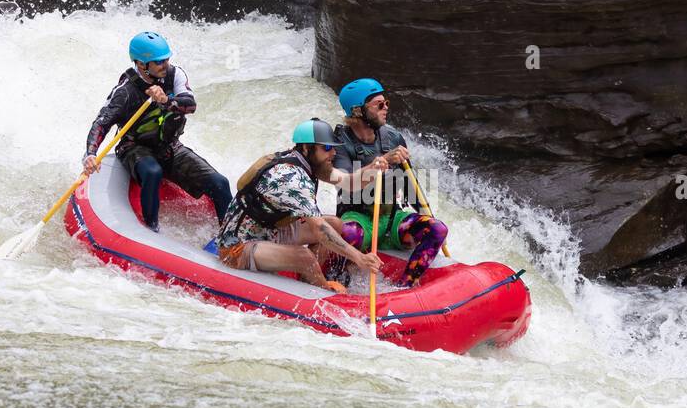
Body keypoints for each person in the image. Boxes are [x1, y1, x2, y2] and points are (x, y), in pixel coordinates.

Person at [83, 31, 232, 231]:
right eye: (159, 62)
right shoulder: (125, 91)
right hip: (135, 147)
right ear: (142, 65)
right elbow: (101, 123)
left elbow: (191, 106)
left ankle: (231, 237)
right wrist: (91, 153)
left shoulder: (175, 74)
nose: (166, 65)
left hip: (170, 146)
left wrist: (166, 100)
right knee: (153, 172)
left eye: (167, 59)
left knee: (220, 183)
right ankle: (152, 229)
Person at [217, 119, 384, 293]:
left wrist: (373, 169)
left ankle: (307, 280)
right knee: (306, 257)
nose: (333, 153)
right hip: (238, 247)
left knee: (335, 224)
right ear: (306, 148)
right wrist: (359, 258)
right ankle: (322, 289)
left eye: (333, 147)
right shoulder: (292, 179)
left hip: (269, 232)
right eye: (326, 148)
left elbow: (349, 182)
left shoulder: (310, 163)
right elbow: (320, 230)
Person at [332, 78, 448, 286]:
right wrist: (382, 162)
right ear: (357, 111)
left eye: (386, 103)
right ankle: (337, 278)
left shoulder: (393, 137)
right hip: (359, 219)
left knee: (437, 229)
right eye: (379, 105)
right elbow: (345, 183)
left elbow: (409, 181)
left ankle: (405, 286)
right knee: (348, 234)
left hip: (392, 218)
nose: (386, 108)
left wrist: (426, 215)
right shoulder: (340, 143)